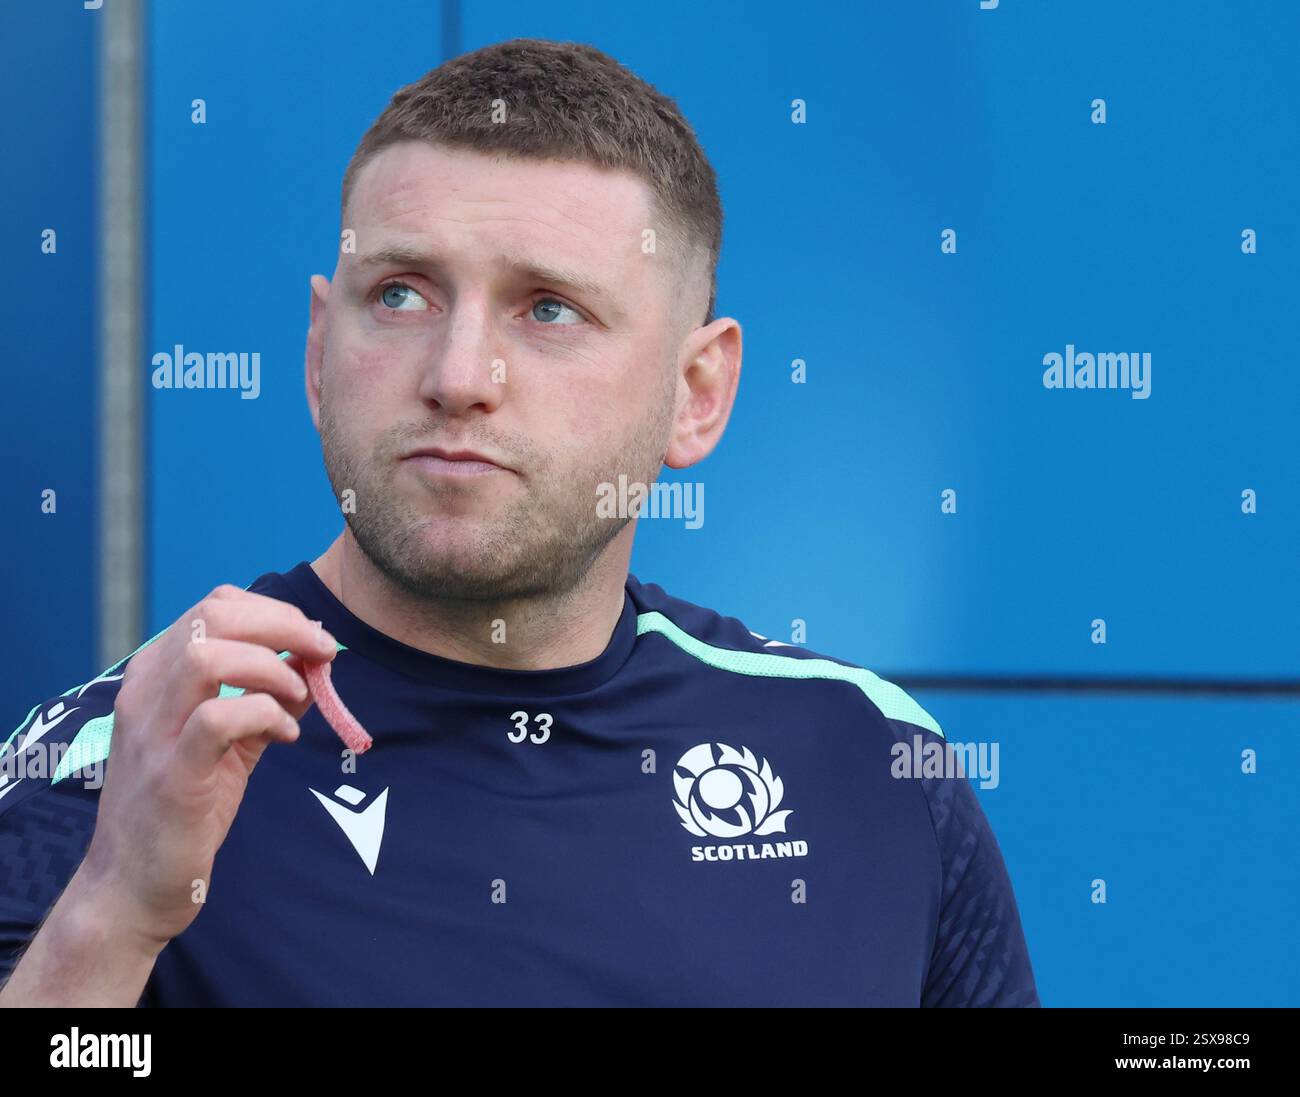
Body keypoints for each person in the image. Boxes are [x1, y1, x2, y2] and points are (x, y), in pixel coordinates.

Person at [0, 38, 1038, 1007]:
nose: (458, 377)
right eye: (401, 294)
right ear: (319, 353)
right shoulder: (124, 759)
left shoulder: (870, 764)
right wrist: (116, 910)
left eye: (548, 309)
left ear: (696, 393)